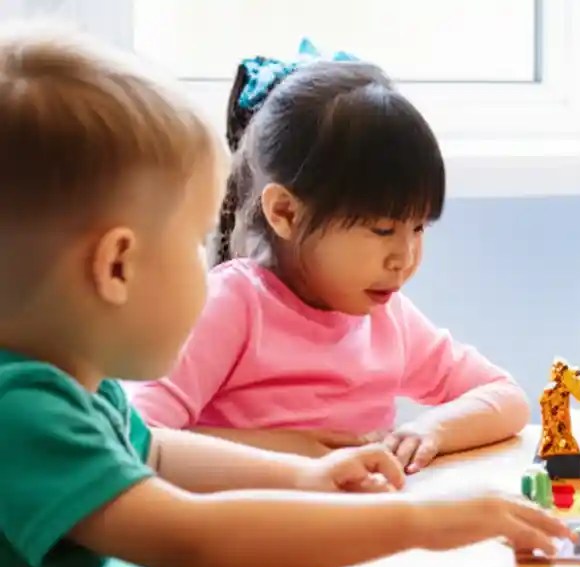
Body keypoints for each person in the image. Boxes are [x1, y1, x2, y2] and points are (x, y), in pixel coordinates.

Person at [0, 26, 569, 567]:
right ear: (117, 266)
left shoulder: (74, 391)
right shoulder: (21, 412)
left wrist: (301, 477)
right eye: (190, 241)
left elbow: (160, 450)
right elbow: (191, 537)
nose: (212, 258)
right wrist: (420, 522)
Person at [127, 47, 526, 474]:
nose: (404, 258)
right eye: (382, 230)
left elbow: (505, 396)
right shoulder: (235, 305)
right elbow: (131, 436)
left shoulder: (388, 319)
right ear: (285, 213)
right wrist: (286, 450)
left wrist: (432, 428)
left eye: (418, 228)